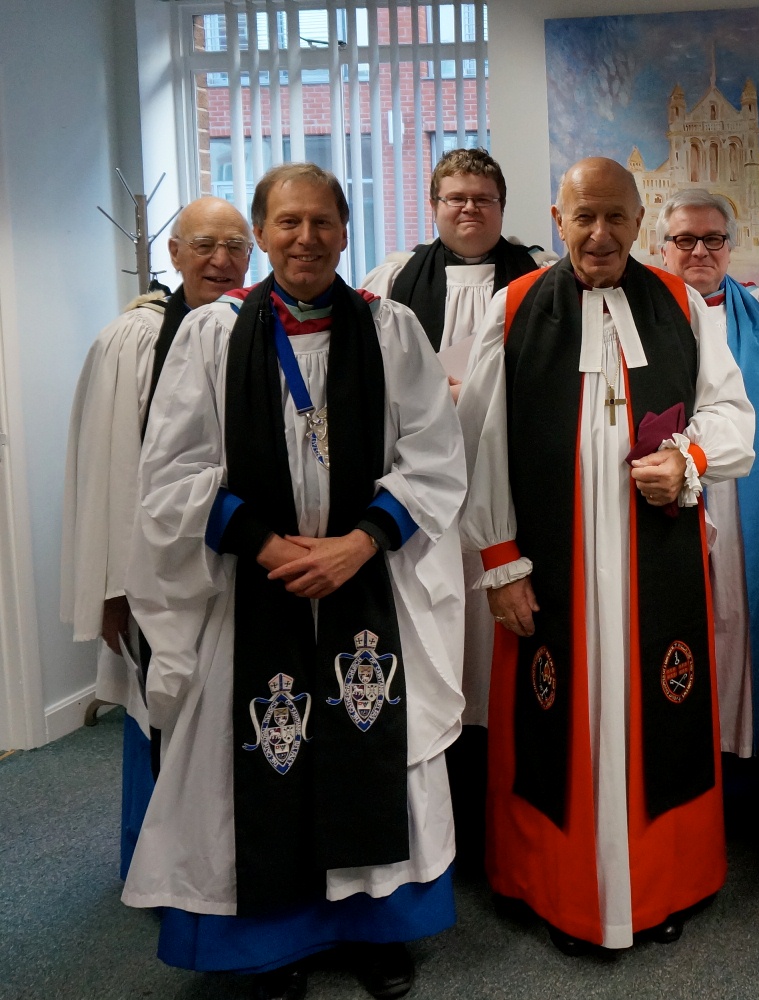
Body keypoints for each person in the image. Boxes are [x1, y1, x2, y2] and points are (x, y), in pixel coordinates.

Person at [124, 163, 467, 1000]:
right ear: (263, 232)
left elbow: (434, 458)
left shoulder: (391, 332)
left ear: (346, 230)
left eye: (321, 222)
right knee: (259, 753)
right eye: (287, 223)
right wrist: (268, 547)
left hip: (368, 581)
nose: (305, 238)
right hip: (254, 592)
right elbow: (171, 471)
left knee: (373, 738)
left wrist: (360, 543)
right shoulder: (213, 334)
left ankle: (376, 930)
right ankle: (268, 942)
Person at [457, 157, 755, 953]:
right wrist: (500, 560)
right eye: (583, 216)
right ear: (558, 220)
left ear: (638, 220)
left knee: (659, 716)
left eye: (616, 217)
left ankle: (662, 885)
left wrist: (690, 459)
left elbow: (732, 413)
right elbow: (480, 440)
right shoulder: (515, 307)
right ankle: (556, 889)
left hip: (654, 565)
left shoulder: (682, 303)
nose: (600, 233)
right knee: (556, 723)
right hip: (550, 572)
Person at [361, 147, 542, 874]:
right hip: (426, 498)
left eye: (483, 198)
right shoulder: (395, 279)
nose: (469, 209)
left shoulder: (540, 275)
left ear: (503, 205)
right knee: (440, 642)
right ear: (433, 203)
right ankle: (443, 802)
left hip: (510, 489)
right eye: (455, 197)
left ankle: (510, 804)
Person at [61, 196, 251, 878]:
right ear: (173, 253)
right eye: (204, 245)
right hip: (160, 575)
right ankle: (165, 865)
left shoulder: (254, 327)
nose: (222, 260)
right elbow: (115, 477)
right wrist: (115, 588)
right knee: (167, 716)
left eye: (235, 245)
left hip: (236, 570)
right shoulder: (136, 339)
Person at [656, 188, 759, 761]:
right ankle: (685, 750)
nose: (700, 250)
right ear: (662, 245)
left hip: (751, 497)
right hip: (668, 493)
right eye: (685, 239)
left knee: (743, 618)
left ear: (730, 245)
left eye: (713, 239)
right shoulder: (643, 311)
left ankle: (747, 752)